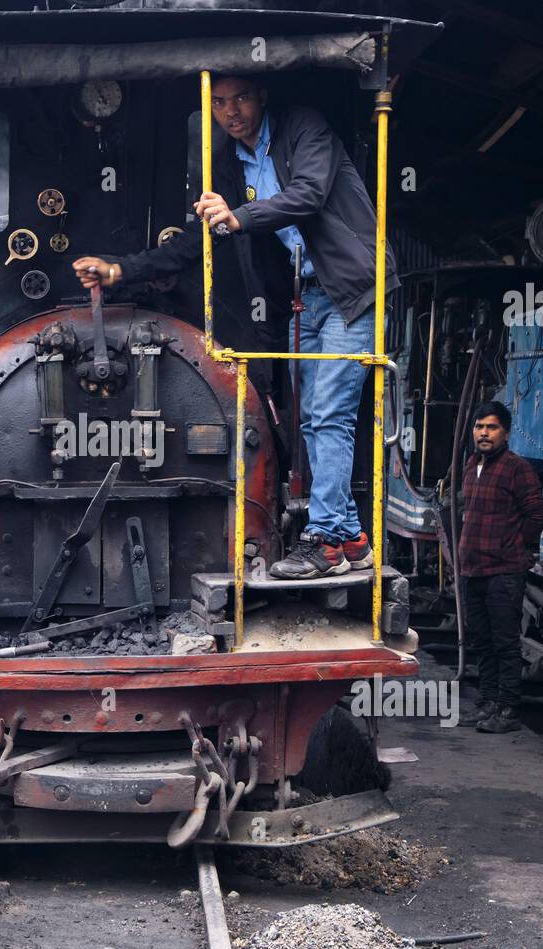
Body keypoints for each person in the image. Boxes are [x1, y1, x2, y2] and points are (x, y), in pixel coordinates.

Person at [74, 74, 399, 578]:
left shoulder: (305, 129)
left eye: (241, 98)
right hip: (308, 298)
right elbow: (200, 238)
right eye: (220, 102)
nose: (231, 111)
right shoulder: (230, 161)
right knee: (310, 420)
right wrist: (122, 270)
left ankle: (326, 540)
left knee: (329, 415)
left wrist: (239, 216)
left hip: (355, 290)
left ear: (262, 96)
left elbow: (308, 195)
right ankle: (352, 540)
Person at [456, 401, 543, 734]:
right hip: (473, 569)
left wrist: (518, 548)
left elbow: (536, 514)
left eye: (491, 427)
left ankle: (508, 710)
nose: (484, 433)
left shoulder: (517, 468)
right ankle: (488, 702)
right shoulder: (471, 465)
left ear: (505, 433)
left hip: (504, 571)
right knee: (482, 640)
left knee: (505, 643)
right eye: (479, 427)